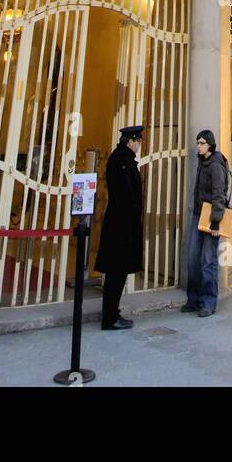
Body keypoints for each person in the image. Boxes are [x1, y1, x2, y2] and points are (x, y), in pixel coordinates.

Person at [94, 125, 144, 331]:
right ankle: (110, 317)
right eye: (139, 141)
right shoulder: (123, 160)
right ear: (131, 141)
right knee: (117, 272)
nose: (140, 145)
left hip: (120, 224)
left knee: (118, 272)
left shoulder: (121, 158)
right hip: (121, 226)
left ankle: (112, 313)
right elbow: (126, 194)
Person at [182, 129, 229, 318]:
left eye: (201, 143)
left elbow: (219, 193)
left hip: (211, 217)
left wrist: (216, 222)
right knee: (193, 258)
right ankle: (193, 299)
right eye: (197, 143)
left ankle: (208, 302)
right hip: (198, 215)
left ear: (210, 144)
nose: (198, 146)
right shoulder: (203, 162)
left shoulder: (215, 164)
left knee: (208, 260)